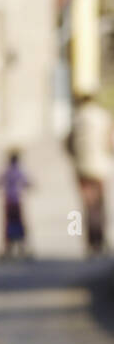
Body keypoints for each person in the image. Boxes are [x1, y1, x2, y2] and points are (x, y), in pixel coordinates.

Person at [68, 94, 114, 256]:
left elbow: (68, 143)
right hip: (100, 167)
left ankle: (90, 241)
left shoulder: (76, 117)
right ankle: (101, 239)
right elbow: (110, 142)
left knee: (87, 205)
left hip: (82, 167)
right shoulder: (104, 116)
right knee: (99, 205)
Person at [0, 152, 32, 259]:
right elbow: (26, 182)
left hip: (8, 201)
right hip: (17, 201)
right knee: (19, 224)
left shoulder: (7, 171)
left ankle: (7, 250)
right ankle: (23, 248)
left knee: (8, 225)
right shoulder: (18, 171)